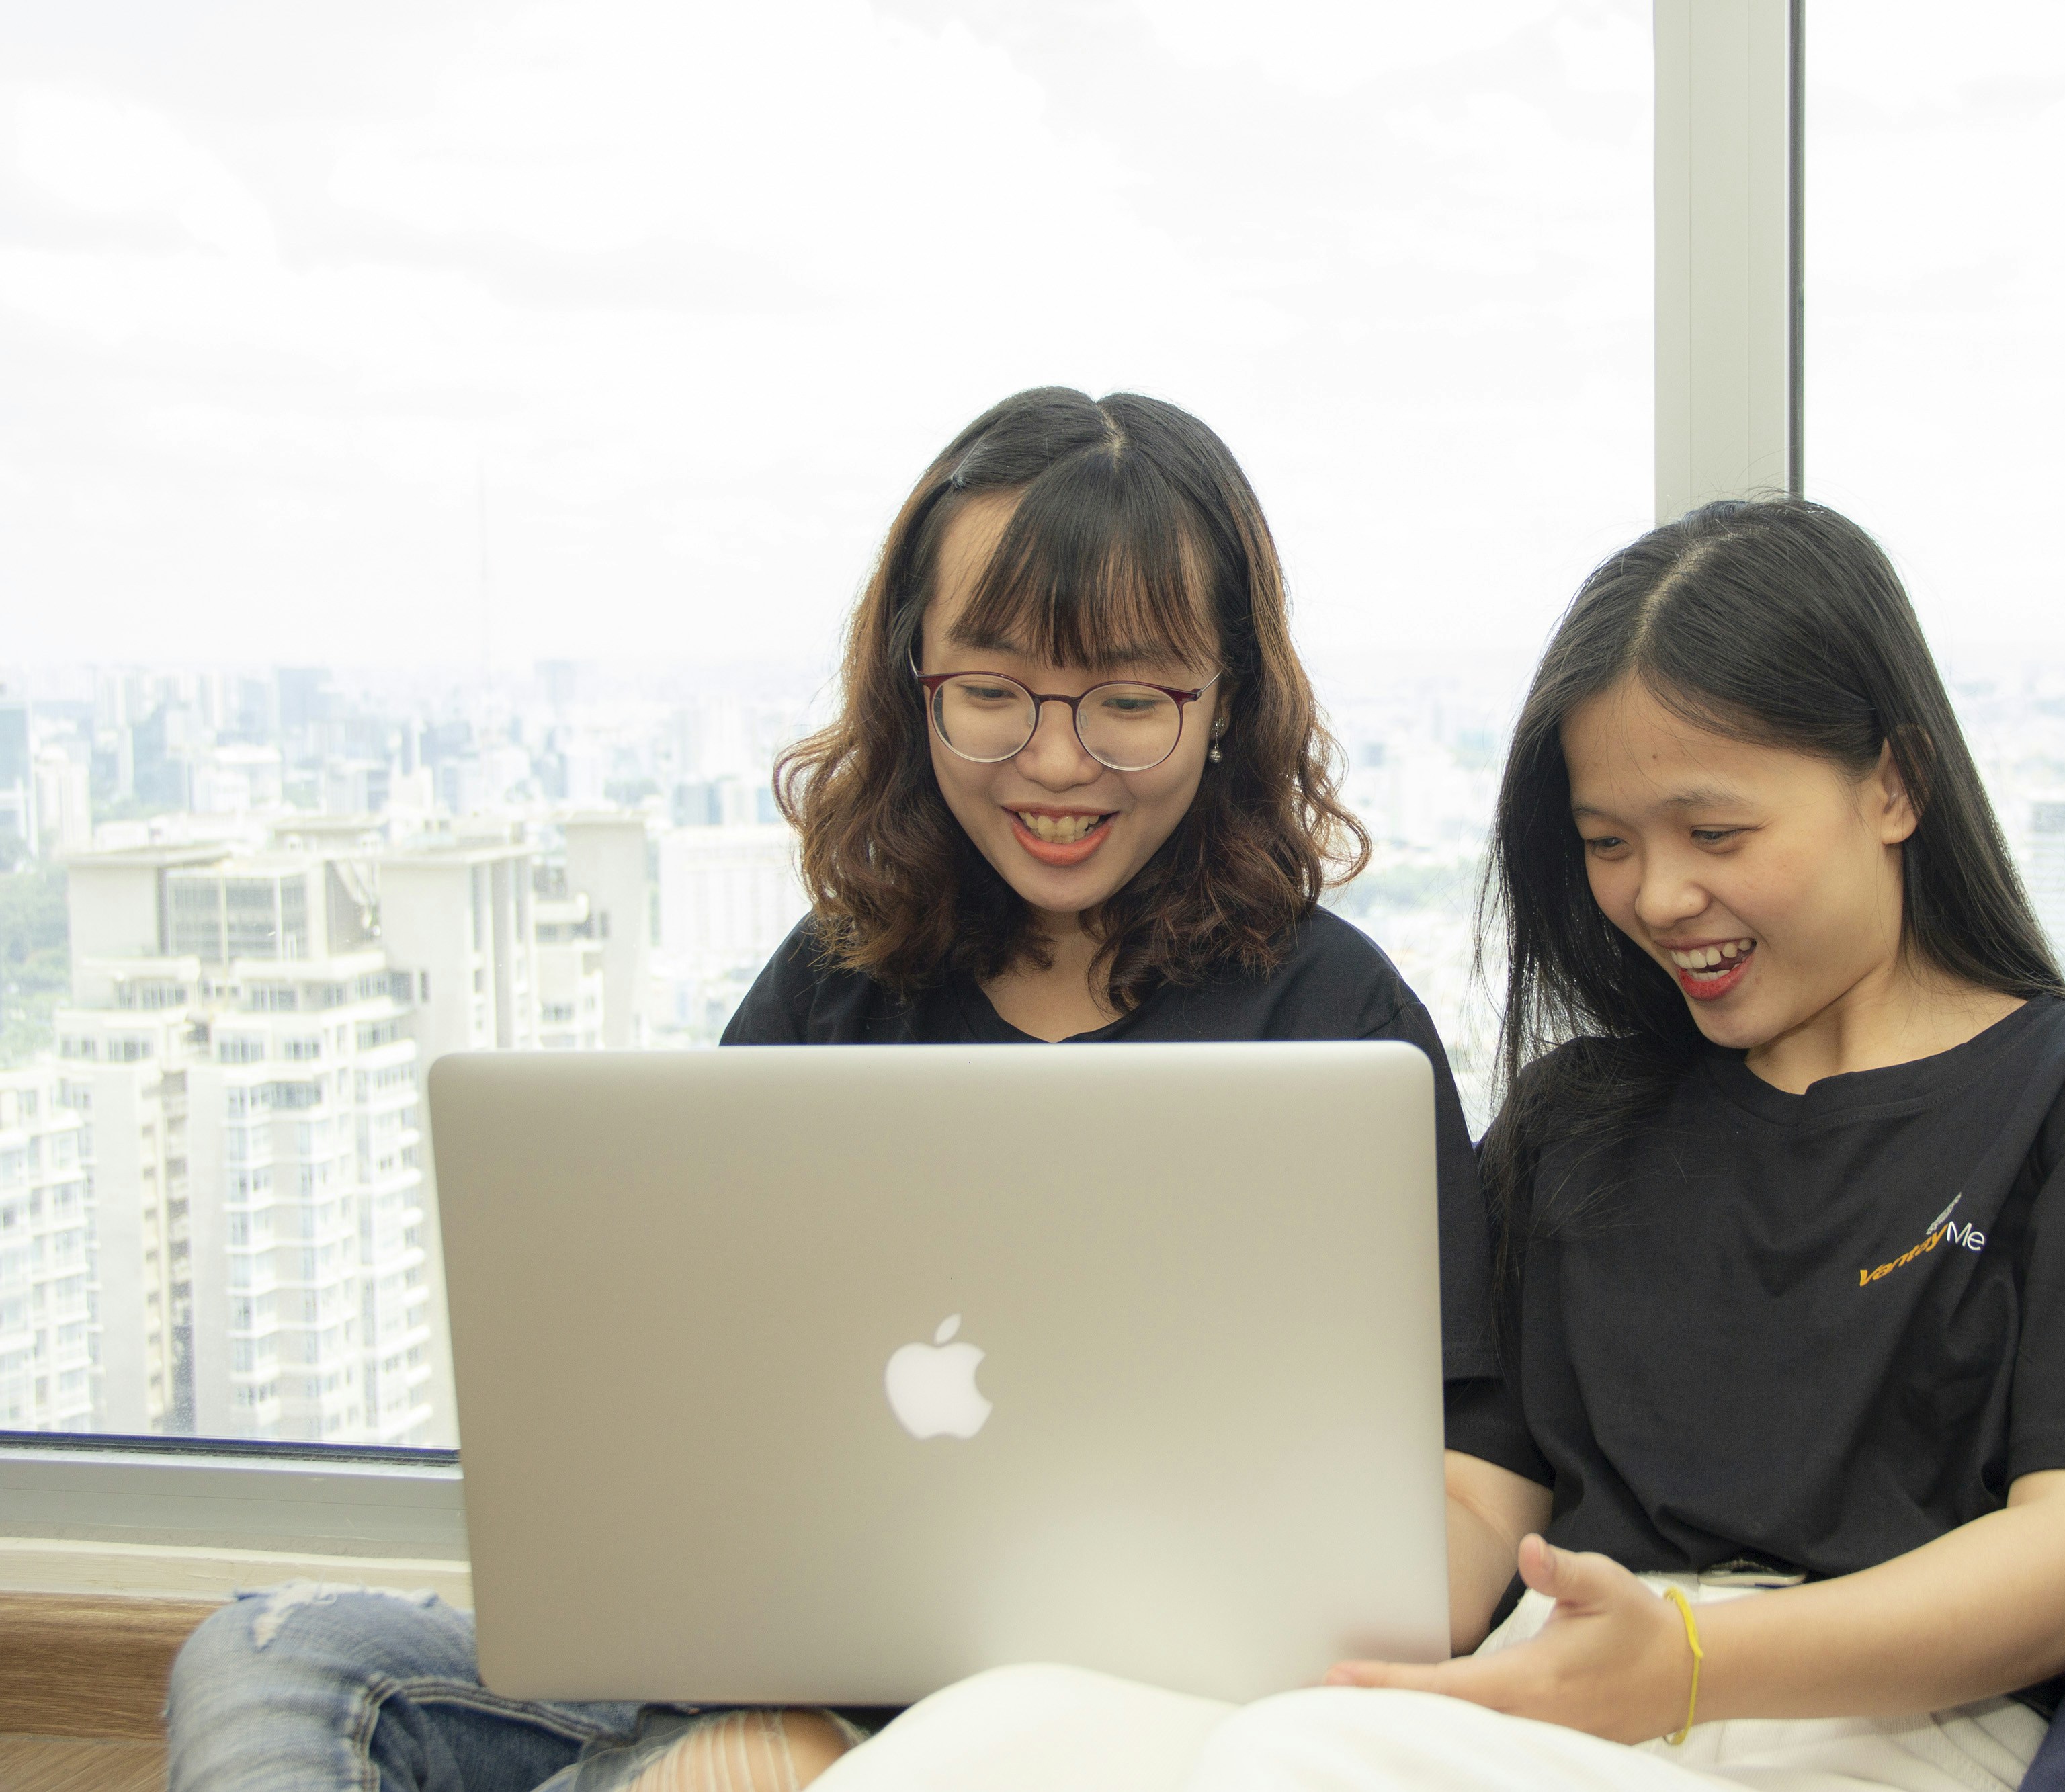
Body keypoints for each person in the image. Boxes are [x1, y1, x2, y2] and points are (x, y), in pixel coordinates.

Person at [817, 497, 2065, 1791]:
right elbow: (1476, 1516)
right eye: (1606, 842)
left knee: (1290, 1764)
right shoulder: (1581, 1121)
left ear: (1890, 784)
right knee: (988, 1736)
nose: (1655, 897)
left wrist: (1696, 1656)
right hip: (1542, 1693)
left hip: (1873, 1719)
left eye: (1712, 832)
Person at [165, 388, 1492, 1792]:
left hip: (1131, 1728)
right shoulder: (838, 979)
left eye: (1127, 698)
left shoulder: (1332, 1023)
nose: (1053, 758)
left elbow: (1477, 1490)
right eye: (990, 691)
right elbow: (674, 1392)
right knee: (275, 1643)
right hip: (782, 1672)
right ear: (911, 679)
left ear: (1226, 700)